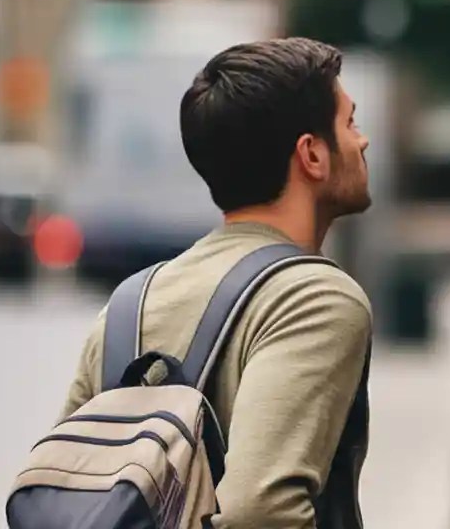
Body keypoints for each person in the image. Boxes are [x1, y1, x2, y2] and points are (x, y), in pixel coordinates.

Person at [58, 38, 375, 528]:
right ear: (312, 155)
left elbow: (66, 487)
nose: (362, 140)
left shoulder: (129, 306)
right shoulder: (316, 300)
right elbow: (260, 512)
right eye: (350, 122)